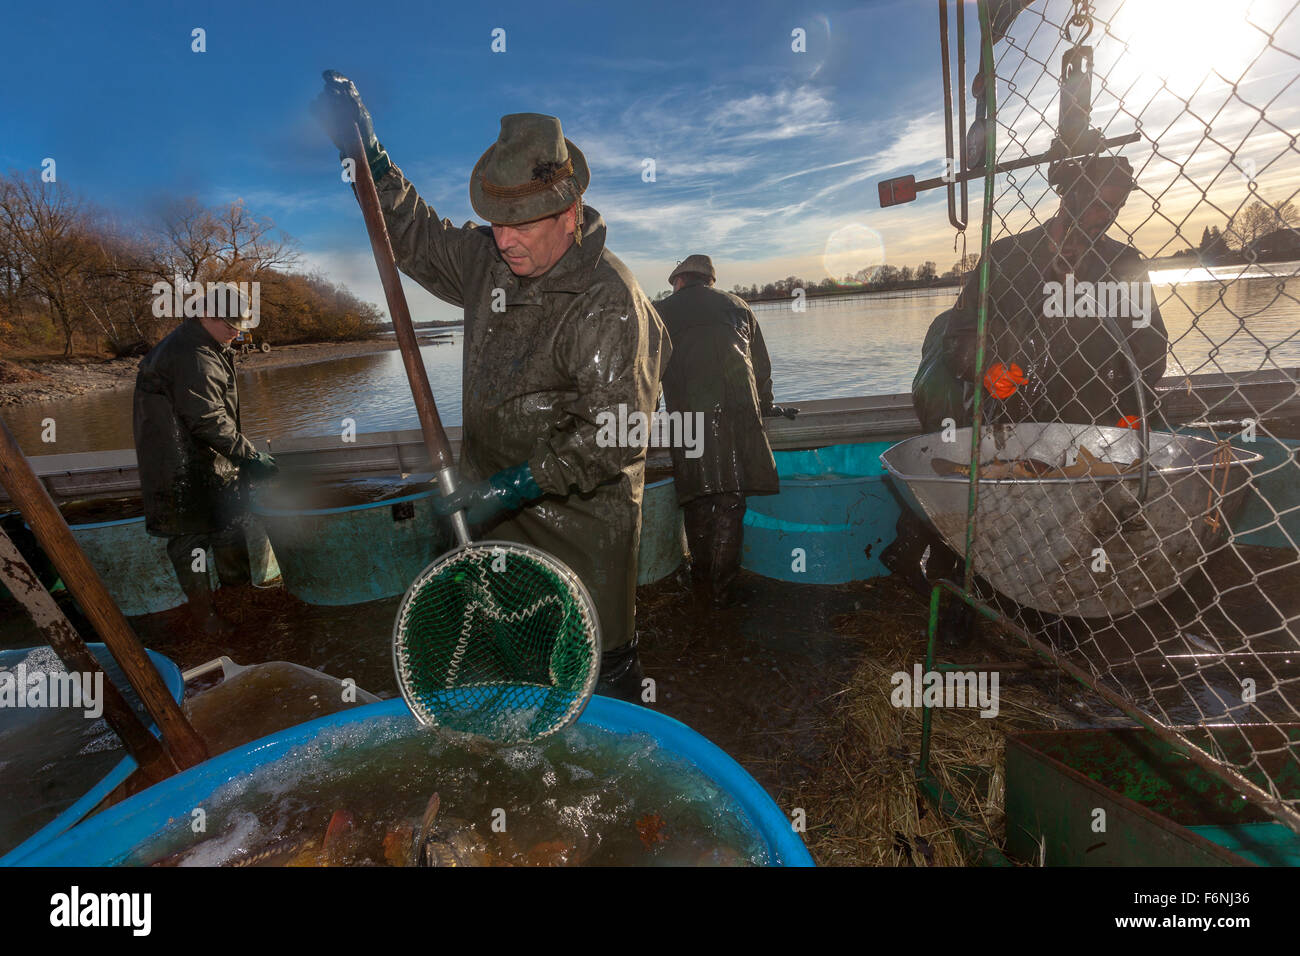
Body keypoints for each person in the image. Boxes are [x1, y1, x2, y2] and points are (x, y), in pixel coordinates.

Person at [315, 72, 669, 701]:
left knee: (590, 679)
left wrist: (516, 485)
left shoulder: (609, 301)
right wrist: (368, 157)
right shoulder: (490, 262)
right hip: (488, 518)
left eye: (522, 224)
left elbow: (618, 436)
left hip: (581, 529)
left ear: (569, 214)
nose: (503, 240)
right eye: (495, 222)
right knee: (507, 664)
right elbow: (415, 235)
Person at [885, 154, 1169, 643]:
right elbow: (959, 334)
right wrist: (986, 369)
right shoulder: (1007, 258)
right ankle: (960, 623)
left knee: (1076, 534)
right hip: (1012, 420)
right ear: (1069, 193)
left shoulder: (1125, 264)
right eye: (1101, 200)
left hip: (1090, 427)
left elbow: (1151, 346)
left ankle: (1064, 629)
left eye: (1119, 203)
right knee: (983, 525)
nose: (1110, 212)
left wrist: (1128, 407)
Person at [653, 254, 797, 608]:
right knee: (730, 502)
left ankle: (703, 584)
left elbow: (647, 369)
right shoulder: (738, 305)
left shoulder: (660, 310)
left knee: (697, 499)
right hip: (740, 415)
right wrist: (765, 405)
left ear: (680, 280)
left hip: (690, 419)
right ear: (709, 281)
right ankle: (721, 592)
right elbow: (761, 367)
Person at [132, 286, 277, 635]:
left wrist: (236, 459)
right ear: (206, 315)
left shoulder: (205, 344)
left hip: (207, 464)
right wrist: (251, 456)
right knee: (190, 541)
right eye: (230, 325)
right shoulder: (191, 354)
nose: (236, 333)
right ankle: (208, 619)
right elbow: (207, 418)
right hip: (180, 468)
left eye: (240, 326)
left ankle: (239, 603)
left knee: (227, 528)